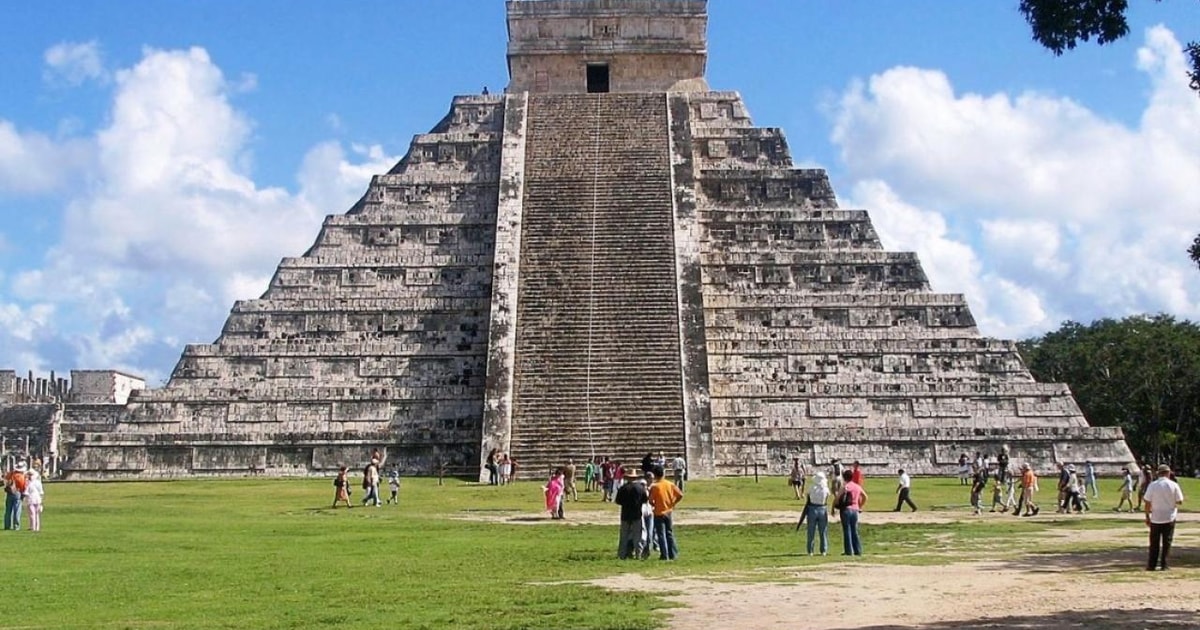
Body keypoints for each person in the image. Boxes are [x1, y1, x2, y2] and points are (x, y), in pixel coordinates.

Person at [1142, 464, 1185, 571]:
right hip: (1169, 516)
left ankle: (1151, 564)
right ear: (1168, 473)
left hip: (1156, 517)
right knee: (1167, 542)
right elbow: (1180, 501)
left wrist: (1147, 516)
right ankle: (1164, 564)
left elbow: (1147, 501)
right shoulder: (1174, 485)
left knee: (1154, 542)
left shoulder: (1153, 485)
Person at [648, 469, 684, 560]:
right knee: (669, 533)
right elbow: (680, 494)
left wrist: (654, 505)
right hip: (668, 511)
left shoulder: (655, 486)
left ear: (655, 475)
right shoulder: (670, 484)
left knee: (661, 534)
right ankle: (673, 553)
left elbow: (650, 500)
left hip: (658, 512)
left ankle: (665, 554)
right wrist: (673, 503)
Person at [614, 467, 649, 559]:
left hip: (625, 514)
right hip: (637, 514)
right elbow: (645, 500)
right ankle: (638, 553)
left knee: (624, 535)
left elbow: (618, 501)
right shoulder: (640, 488)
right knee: (637, 535)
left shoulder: (623, 488)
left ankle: (622, 554)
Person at [836, 469, 867, 556]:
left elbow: (837, 498)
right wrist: (860, 506)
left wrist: (834, 507)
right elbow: (865, 497)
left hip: (846, 509)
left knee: (847, 530)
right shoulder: (857, 486)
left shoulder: (845, 487)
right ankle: (858, 550)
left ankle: (848, 551)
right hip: (855, 510)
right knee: (854, 530)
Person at [801, 472, 830, 555]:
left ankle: (810, 550)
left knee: (811, 531)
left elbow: (808, 497)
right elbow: (827, 497)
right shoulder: (825, 489)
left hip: (812, 508)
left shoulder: (811, 487)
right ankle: (823, 550)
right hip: (822, 508)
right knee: (823, 531)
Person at [3, 462, 28, 530]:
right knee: (17, 510)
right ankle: (16, 526)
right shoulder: (21, 476)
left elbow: (5, 480)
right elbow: (23, 486)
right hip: (18, 492)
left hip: (9, 492)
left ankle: (7, 525)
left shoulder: (11, 474)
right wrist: (23, 494)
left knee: (8, 510)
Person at [24, 466, 44, 532]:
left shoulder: (30, 483)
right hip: (36, 499)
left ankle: (33, 527)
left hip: (32, 499)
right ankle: (35, 527)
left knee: (33, 514)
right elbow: (41, 492)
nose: (29, 476)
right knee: (35, 514)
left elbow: (26, 492)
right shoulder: (37, 482)